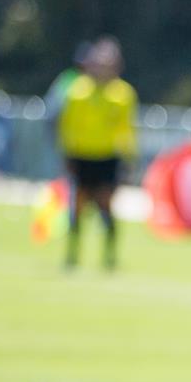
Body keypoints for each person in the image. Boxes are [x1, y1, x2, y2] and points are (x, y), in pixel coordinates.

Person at [54, 37, 137, 270]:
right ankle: (72, 253)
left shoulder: (123, 94)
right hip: (81, 156)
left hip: (107, 157)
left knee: (106, 206)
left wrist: (129, 159)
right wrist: (66, 156)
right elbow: (67, 126)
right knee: (77, 207)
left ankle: (109, 256)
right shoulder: (77, 92)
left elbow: (127, 129)